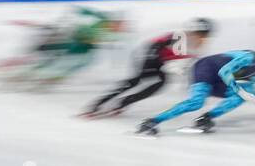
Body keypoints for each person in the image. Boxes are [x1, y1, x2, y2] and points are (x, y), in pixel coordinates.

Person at [136, 42, 255, 136]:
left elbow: (250, 88)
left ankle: (205, 118)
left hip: (220, 80)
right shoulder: (249, 57)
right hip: (206, 68)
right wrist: (239, 89)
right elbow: (225, 72)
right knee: (196, 102)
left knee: (239, 97)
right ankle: (151, 122)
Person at [82, 18, 214, 118]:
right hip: (149, 54)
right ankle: (98, 104)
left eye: (205, 36)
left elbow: (186, 64)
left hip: (159, 60)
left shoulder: (197, 44)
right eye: (201, 34)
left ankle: (123, 102)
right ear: (195, 31)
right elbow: (156, 45)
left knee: (159, 83)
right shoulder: (181, 36)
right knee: (137, 81)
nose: (202, 38)